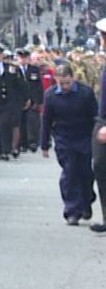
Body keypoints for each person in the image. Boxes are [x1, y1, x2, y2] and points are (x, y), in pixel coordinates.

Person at [40, 62, 97, 225]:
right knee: (69, 173)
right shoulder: (50, 95)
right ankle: (72, 210)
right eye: (61, 83)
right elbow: (46, 120)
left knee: (85, 173)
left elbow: (95, 117)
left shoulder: (86, 93)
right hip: (63, 138)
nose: (65, 86)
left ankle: (86, 201)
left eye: (68, 82)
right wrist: (44, 144)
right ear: (56, 79)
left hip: (84, 136)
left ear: (73, 78)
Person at [0, 44, 27, 161]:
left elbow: (20, 85)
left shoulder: (11, 68)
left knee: (4, 124)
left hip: (7, 103)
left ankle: (6, 150)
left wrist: (25, 98)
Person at [18, 48, 44, 155]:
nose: (23, 60)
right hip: (19, 100)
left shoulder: (34, 69)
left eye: (25, 58)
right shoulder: (14, 69)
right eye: (21, 58)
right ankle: (22, 143)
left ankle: (32, 141)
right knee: (21, 122)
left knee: (33, 121)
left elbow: (38, 86)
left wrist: (39, 101)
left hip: (33, 100)